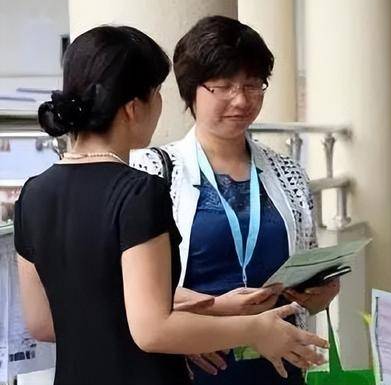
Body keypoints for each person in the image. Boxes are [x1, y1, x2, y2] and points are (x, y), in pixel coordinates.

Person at [14, 25, 327, 385]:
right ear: (133, 108)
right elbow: (152, 329)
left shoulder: (33, 193)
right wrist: (255, 329)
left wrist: (215, 307)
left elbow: (42, 322)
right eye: (157, 92)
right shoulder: (138, 191)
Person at [130, 15, 340, 385]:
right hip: (194, 367)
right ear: (192, 90)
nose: (241, 100)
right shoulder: (153, 171)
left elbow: (309, 273)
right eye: (224, 86)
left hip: (279, 367)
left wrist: (320, 292)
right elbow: (124, 289)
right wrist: (183, 318)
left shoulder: (289, 173)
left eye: (253, 85)